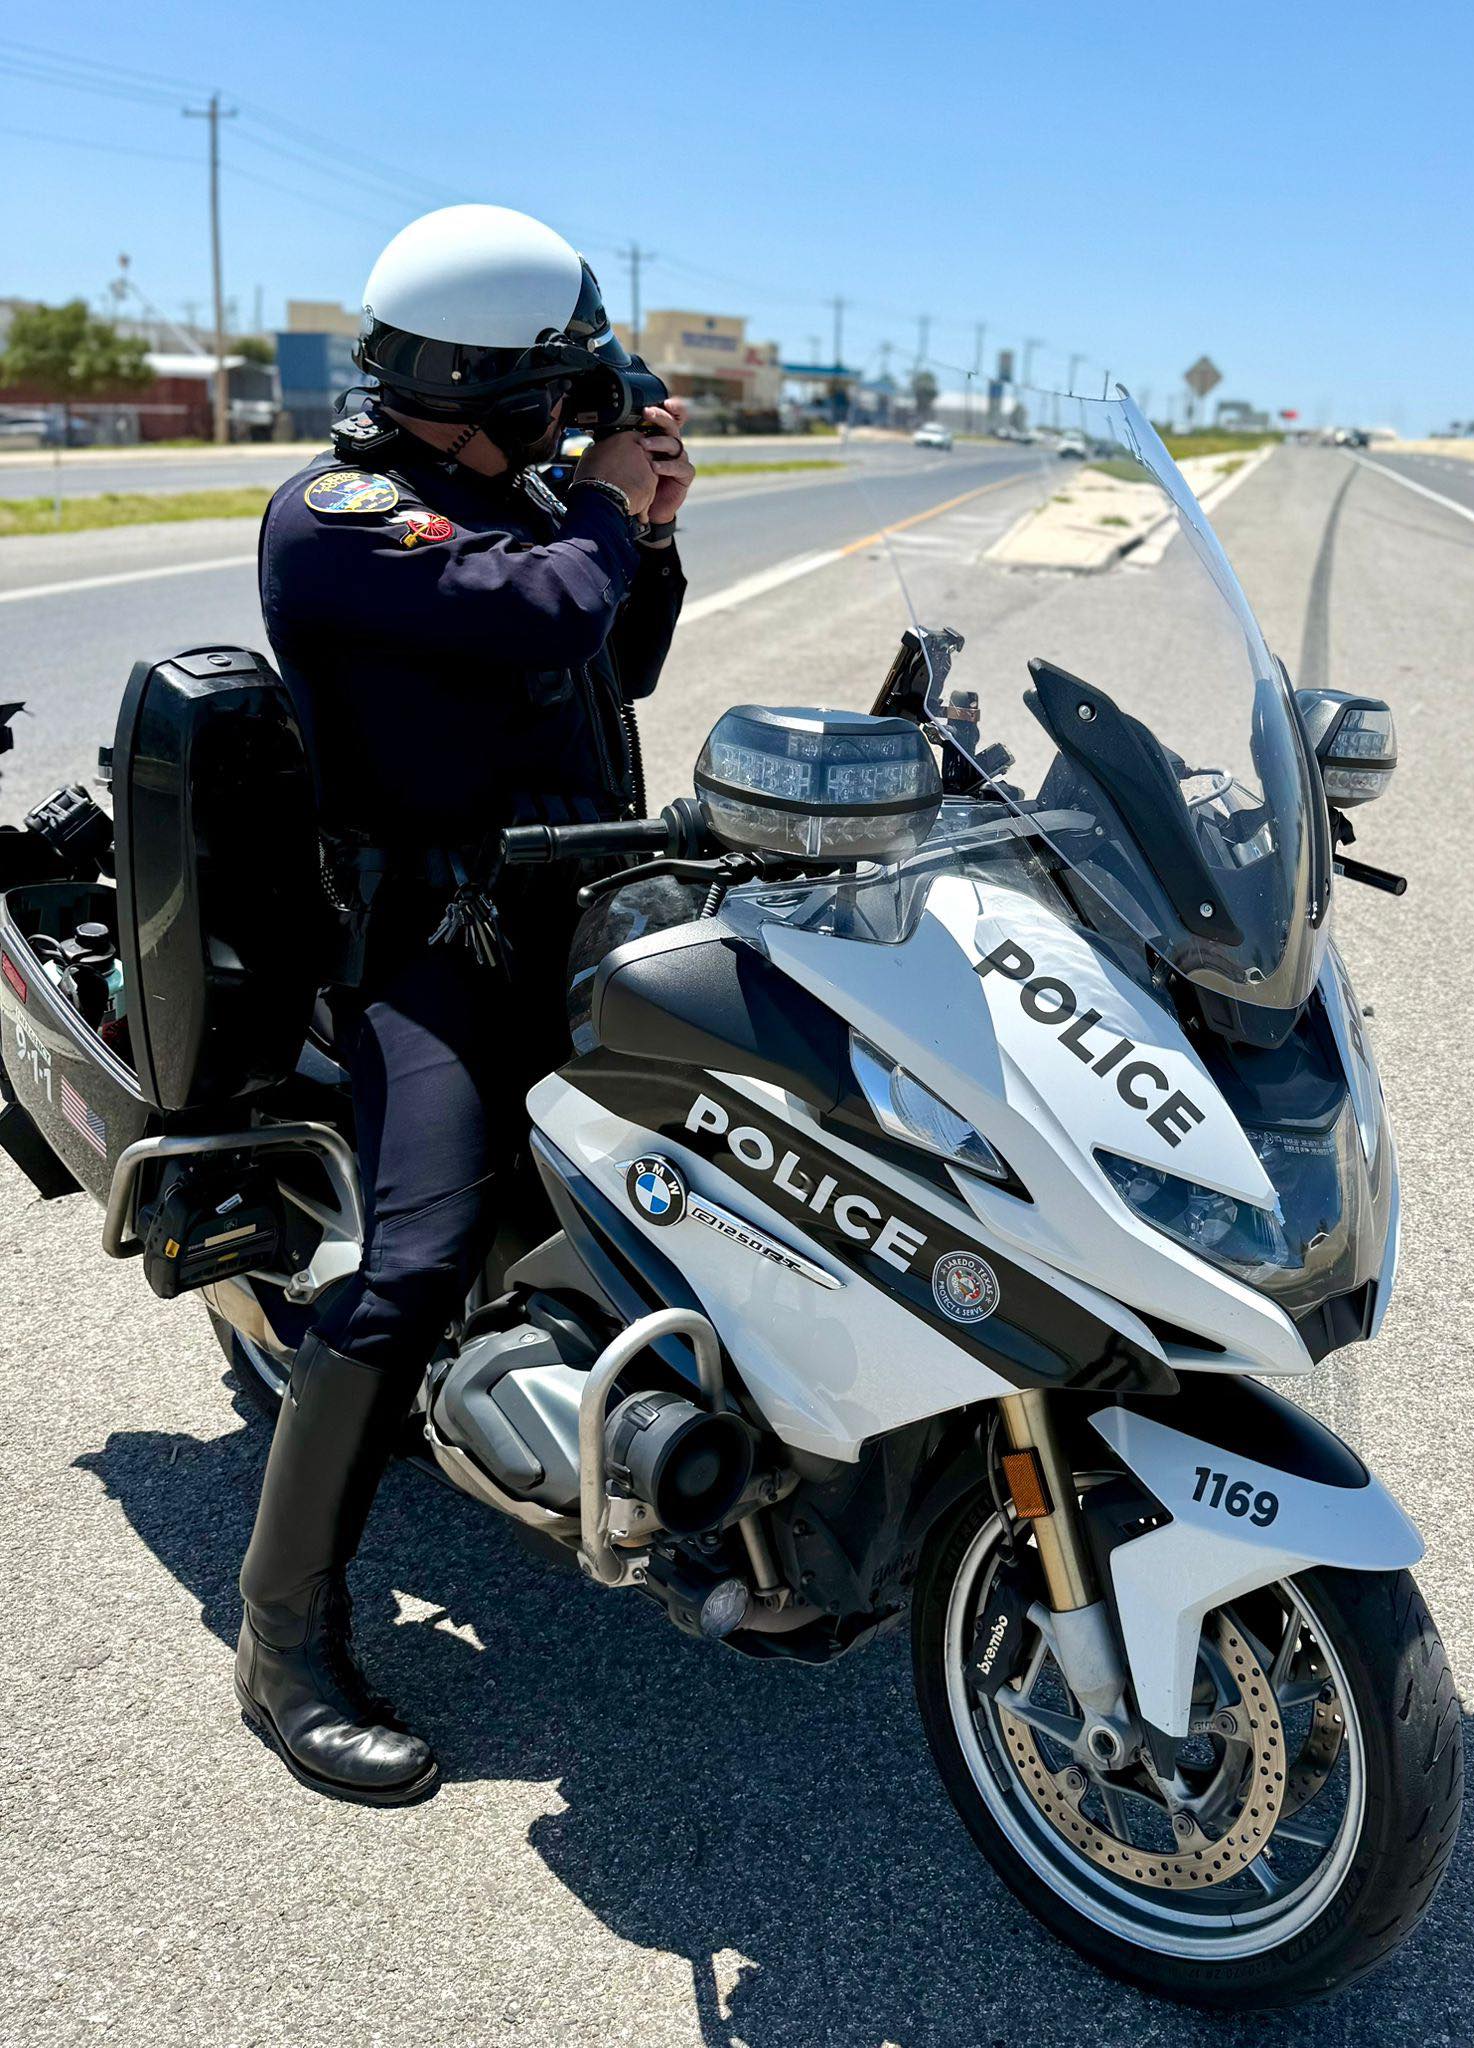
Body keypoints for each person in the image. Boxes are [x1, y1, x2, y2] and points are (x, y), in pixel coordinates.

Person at [234, 205, 694, 1804]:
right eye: (566, 393)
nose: (583, 419)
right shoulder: (342, 512)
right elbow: (546, 609)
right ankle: (283, 1643)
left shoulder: (524, 498)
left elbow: (609, 661)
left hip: (587, 904)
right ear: (496, 389)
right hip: (434, 941)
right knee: (416, 1256)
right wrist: (611, 517)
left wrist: (655, 528)